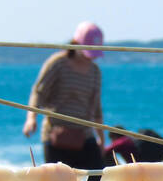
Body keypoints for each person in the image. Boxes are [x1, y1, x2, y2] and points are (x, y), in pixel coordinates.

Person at [22, 22, 106, 172]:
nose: (90, 58)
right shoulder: (58, 63)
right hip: (56, 135)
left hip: (85, 135)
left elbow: (96, 107)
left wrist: (101, 139)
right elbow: (38, 91)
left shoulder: (95, 71)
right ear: (76, 44)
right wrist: (31, 118)